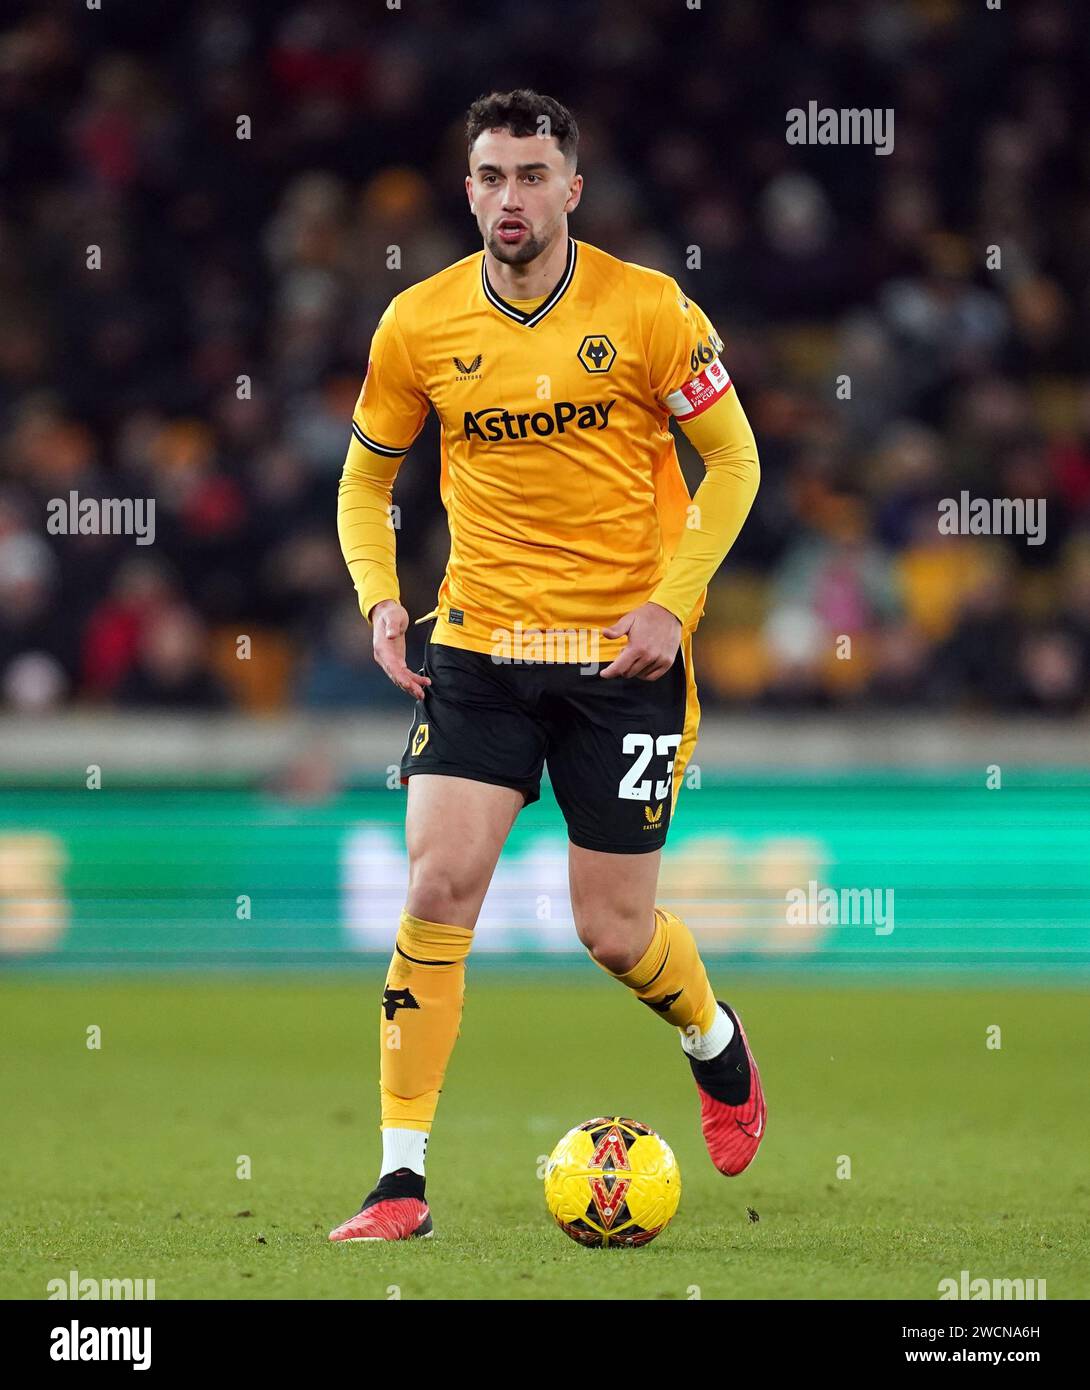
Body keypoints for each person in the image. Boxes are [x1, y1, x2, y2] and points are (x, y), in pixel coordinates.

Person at [332, 89, 763, 1241]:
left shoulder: (649, 310)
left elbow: (733, 462)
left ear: (572, 187)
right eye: (489, 177)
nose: (508, 198)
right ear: (466, 189)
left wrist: (675, 604)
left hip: (620, 661)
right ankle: (399, 1181)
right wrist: (382, 596)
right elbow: (366, 478)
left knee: (614, 933)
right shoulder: (417, 324)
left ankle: (715, 1043)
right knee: (435, 886)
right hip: (477, 647)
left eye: (531, 176)